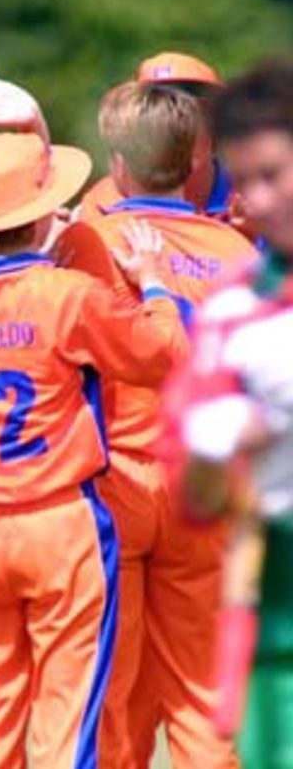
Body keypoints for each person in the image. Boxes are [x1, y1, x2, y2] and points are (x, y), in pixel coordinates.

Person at [0, 115, 188, 766]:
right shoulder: (68, 294)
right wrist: (153, 282)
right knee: (70, 718)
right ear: (44, 215)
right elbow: (163, 356)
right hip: (59, 524)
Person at [54, 81, 257, 768]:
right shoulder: (240, 255)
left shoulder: (92, 240)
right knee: (204, 697)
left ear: (118, 163)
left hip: (118, 485)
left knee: (117, 693)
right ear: (194, 158)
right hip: (206, 486)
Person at [165, 58, 293, 768]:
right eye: (246, 180)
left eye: (276, 173)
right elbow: (193, 495)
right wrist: (215, 445)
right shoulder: (229, 314)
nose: (261, 200)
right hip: (277, 608)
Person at [78, 52, 235, 223]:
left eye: (190, 115)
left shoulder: (251, 197)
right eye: (155, 117)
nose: (172, 129)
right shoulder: (102, 204)